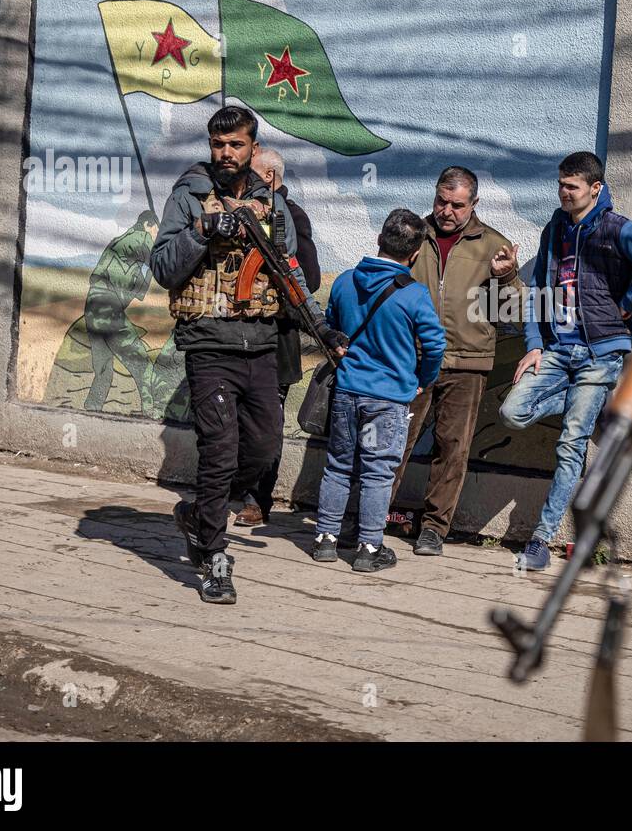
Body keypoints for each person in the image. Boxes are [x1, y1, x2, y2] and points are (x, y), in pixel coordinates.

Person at [150, 106, 345, 605]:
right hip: (208, 343)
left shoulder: (273, 207)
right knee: (219, 452)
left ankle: (198, 515)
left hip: (259, 342)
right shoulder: (190, 194)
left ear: (253, 148)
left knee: (259, 449)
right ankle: (214, 557)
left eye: (236, 145)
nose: (226, 154)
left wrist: (322, 328)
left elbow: (291, 272)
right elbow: (163, 268)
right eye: (219, 145)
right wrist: (203, 232)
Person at [499, 152, 632, 571]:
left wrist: (628, 301)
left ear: (595, 188)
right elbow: (536, 291)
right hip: (556, 350)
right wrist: (534, 343)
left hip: (600, 353)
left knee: (571, 445)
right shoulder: (554, 229)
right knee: (513, 411)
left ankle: (540, 542)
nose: (564, 193)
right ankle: (584, 404)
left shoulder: (616, 228)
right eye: (561, 185)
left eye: (572, 186)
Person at [385, 166, 521, 556]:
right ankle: (372, 518)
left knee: (453, 447)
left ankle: (433, 528)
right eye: (441, 201)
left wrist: (506, 277)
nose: (447, 211)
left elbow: (512, 314)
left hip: (468, 362)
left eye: (457, 205)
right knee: (395, 442)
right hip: (411, 359)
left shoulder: (494, 245)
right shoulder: (413, 236)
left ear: (473, 204)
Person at [311, 209, 446, 573]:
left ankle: (325, 539)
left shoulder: (344, 281)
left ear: (378, 241)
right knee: (377, 472)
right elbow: (435, 345)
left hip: (347, 391)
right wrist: (423, 378)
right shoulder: (415, 294)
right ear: (414, 254)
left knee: (338, 465)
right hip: (386, 401)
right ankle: (370, 547)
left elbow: (334, 330)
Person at [232, 146, 323, 527]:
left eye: (249, 174)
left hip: (276, 336)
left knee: (266, 423)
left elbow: (310, 279)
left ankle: (257, 500)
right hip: (236, 332)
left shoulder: (290, 216)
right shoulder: (237, 210)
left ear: (269, 178)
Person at [83, 210, 160, 416]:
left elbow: (140, 293)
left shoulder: (125, 250)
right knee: (142, 364)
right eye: (156, 231)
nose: (155, 235)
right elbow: (157, 256)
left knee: (103, 372)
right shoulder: (138, 237)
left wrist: (150, 271)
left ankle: (91, 411)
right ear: (147, 225)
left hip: (93, 309)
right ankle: (152, 412)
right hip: (108, 308)